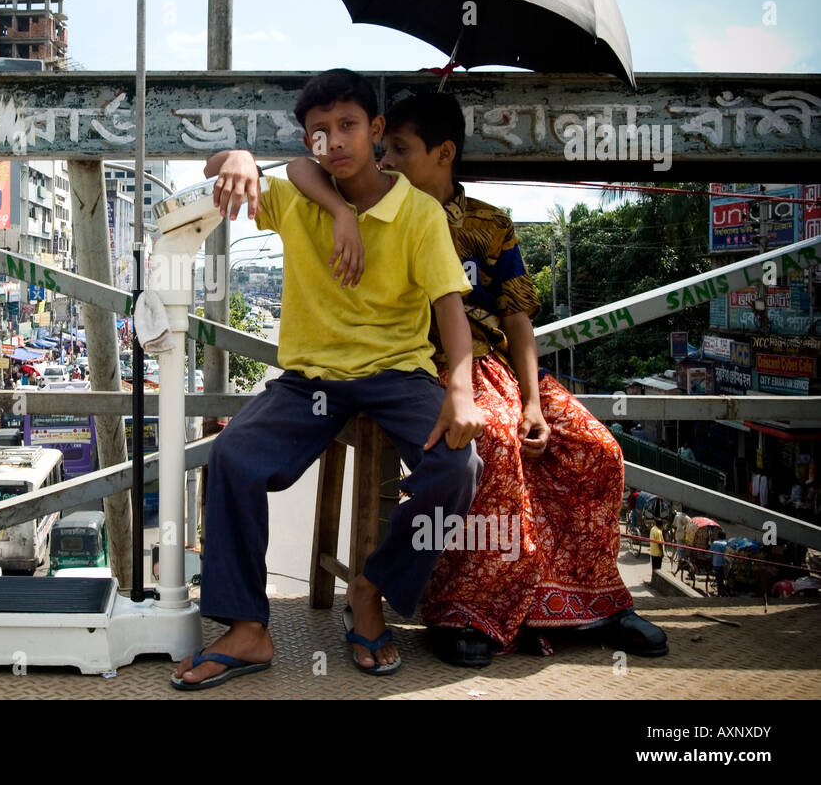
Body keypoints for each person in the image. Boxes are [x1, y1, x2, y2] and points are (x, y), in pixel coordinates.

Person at [283, 89, 666, 663]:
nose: (382, 161)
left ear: (444, 153)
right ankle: (466, 610)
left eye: (399, 150)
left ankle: (593, 603)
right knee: (489, 444)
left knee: (596, 450)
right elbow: (297, 172)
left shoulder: (489, 225)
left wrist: (535, 402)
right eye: (382, 149)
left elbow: (517, 318)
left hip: (498, 366)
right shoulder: (375, 212)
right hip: (415, 368)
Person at [170, 68, 483, 690]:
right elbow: (231, 173)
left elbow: (450, 305)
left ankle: (372, 590)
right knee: (233, 455)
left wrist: (462, 390)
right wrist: (234, 156)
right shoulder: (295, 198)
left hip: (397, 372)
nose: (334, 141)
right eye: (319, 132)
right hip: (310, 378)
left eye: (348, 126)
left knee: (459, 465)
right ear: (307, 142)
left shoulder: (417, 213)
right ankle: (247, 627)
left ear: (377, 130)